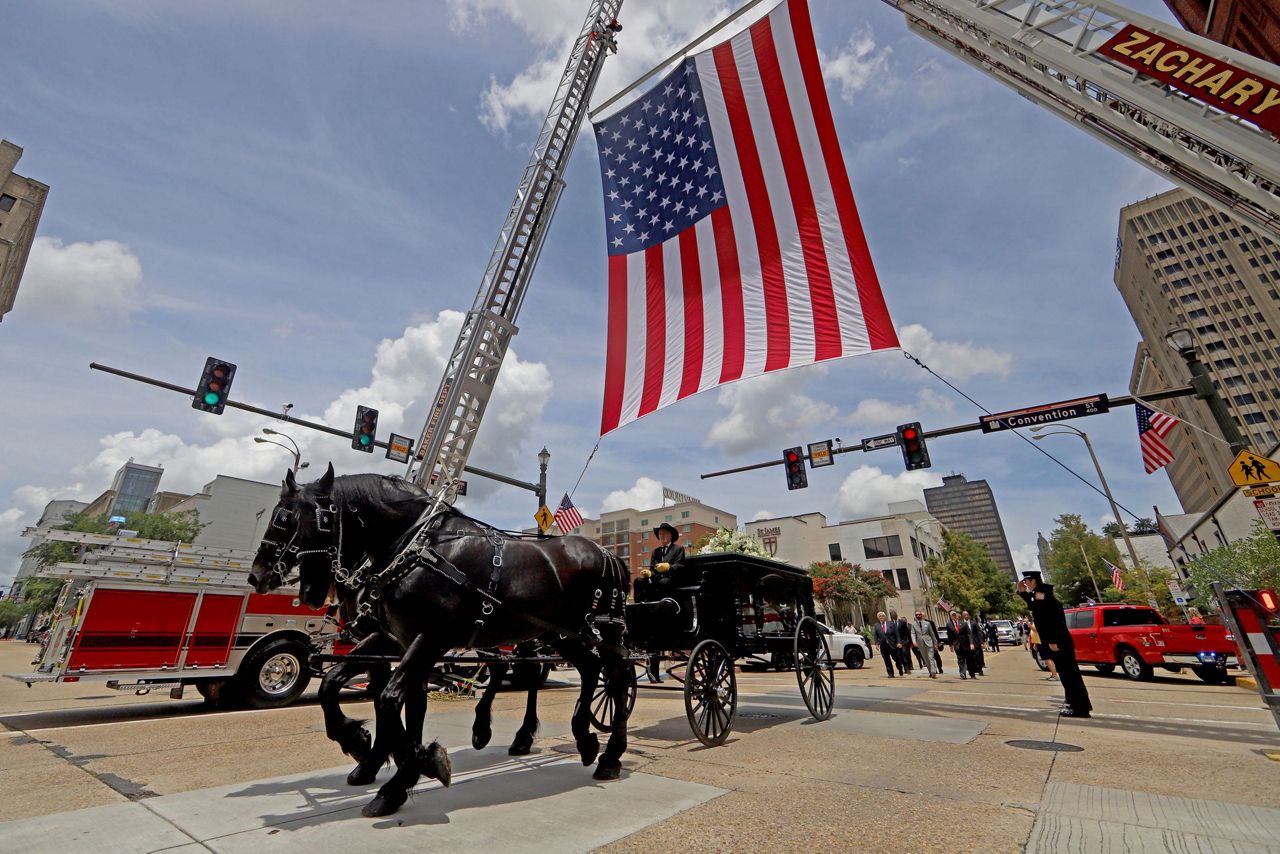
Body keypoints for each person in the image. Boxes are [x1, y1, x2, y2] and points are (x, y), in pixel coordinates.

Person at [1018, 570, 1091, 718]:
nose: (1025, 584)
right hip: (1059, 639)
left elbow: (1050, 620)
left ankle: (1079, 707)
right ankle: (1074, 702)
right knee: (1066, 673)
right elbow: (1036, 607)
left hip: (1058, 641)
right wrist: (1023, 593)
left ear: (1034, 581)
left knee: (1069, 674)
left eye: (1027, 581)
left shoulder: (1043, 596)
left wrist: (1053, 641)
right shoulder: (1042, 595)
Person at [636, 522, 687, 682]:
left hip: (672, 584)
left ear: (670, 535)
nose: (661, 536)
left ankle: (662, 606)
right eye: (660, 534)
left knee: (664, 582)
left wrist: (669, 567)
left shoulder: (678, 549)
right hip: (657, 583)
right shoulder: (656, 551)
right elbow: (652, 569)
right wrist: (648, 573)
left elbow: (681, 567)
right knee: (638, 581)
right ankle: (641, 608)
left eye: (664, 534)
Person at [910, 610, 940, 678]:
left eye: (919, 614)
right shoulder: (913, 625)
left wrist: (935, 643)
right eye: (916, 615)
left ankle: (933, 671)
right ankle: (930, 671)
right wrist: (914, 641)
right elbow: (913, 633)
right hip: (920, 644)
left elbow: (932, 634)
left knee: (931, 657)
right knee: (926, 659)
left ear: (921, 615)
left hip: (929, 643)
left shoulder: (927, 623)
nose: (918, 616)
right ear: (915, 616)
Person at [946, 611, 972, 679]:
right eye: (952, 615)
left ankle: (970, 672)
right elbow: (949, 636)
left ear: (957, 616)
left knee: (967, 658)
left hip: (965, 644)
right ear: (951, 617)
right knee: (960, 659)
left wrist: (971, 643)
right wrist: (951, 645)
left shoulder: (963, 623)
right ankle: (962, 673)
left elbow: (969, 634)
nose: (954, 617)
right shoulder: (949, 625)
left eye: (955, 615)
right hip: (957, 645)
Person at [874, 611, 900, 678]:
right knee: (886, 660)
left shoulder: (891, 623)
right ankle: (890, 673)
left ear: (885, 617)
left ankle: (900, 667)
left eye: (882, 616)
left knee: (896, 658)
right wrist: (877, 644)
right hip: (883, 645)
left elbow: (896, 634)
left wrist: (899, 642)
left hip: (892, 644)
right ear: (878, 618)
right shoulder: (877, 625)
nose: (881, 617)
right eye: (880, 616)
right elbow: (876, 635)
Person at [890, 610, 912, 675]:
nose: (893, 616)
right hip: (895, 643)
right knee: (897, 657)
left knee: (904, 655)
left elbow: (907, 632)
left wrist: (910, 642)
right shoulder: (890, 623)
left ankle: (907, 669)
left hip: (903, 642)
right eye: (892, 615)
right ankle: (900, 669)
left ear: (897, 615)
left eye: (895, 615)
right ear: (891, 616)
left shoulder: (902, 622)